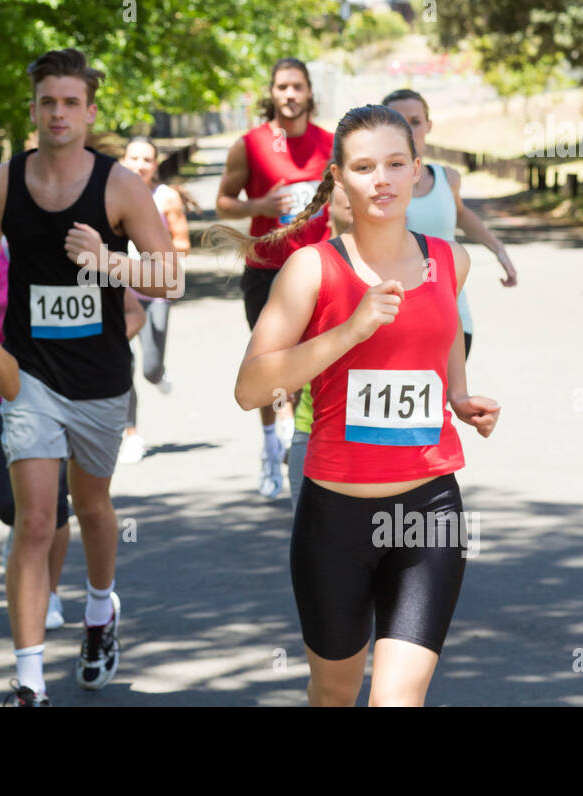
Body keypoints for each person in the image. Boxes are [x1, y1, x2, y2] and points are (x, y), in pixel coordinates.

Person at [222, 103, 501, 706]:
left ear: (417, 169)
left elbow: (444, 345)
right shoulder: (311, 268)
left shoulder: (452, 260)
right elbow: (250, 389)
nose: (383, 179)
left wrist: (460, 399)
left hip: (428, 511)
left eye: (397, 163)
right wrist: (349, 330)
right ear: (341, 179)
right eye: (366, 166)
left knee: (396, 702)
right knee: (333, 693)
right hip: (336, 518)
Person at [0, 48, 181, 706]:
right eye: (46, 102)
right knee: (34, 520)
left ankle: (98, 611)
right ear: (32, 110)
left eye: (70, 103)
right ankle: (28, 679)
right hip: (28, 376)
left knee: (91, 506)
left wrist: (109, 261)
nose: (58, 113)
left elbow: (169, 275)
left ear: (89, 112)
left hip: (100, 379)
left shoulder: (119, 186)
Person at [0, 236, 147, 633]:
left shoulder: (81, 250)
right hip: (8, 394)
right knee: (10, 507)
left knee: (51, 506)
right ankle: (23, 536)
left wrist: (100, 351)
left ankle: (48, 592)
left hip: (71, 399)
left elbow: (133, 313)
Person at [214, 58, 334, 498]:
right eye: (281, 87)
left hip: (320, 270)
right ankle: (270, 448)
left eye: (297, 87)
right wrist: (259, 206)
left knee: (311, 361)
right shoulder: (250, 144)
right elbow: (224, 202)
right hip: (266, 269)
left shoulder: (331, 143)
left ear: (308, 93)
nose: (289, 95)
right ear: (272, 92)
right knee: (267, 363)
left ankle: (300, 445)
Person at [381, 89, 519, 359]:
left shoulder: (448, 179)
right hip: (393, 320)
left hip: (451, 319)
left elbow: (461, 214)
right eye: (397, 120)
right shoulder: (376, 187)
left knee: (445, 400)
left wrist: (498, 249)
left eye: (415, 121)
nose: (407, 129)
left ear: (428, 126)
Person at [118, 135, 192, 464]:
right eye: (134, 158)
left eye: (146, 160)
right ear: (123, 161)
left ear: (155, 165)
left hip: (155, 291)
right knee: (123, 364)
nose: (139, 165)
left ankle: (159, 374)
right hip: (119, 292)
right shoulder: (110, 196)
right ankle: (130, 434)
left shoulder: (166, 198)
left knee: (148, 366)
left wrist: (160, 263)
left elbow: (183, 242)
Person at [286, 176, 354, 513]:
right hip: (318, 438)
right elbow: (261, 378)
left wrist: (459, 397)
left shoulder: (431, 264)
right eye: (357, 171)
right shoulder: (308, 267)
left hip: (411, 453)